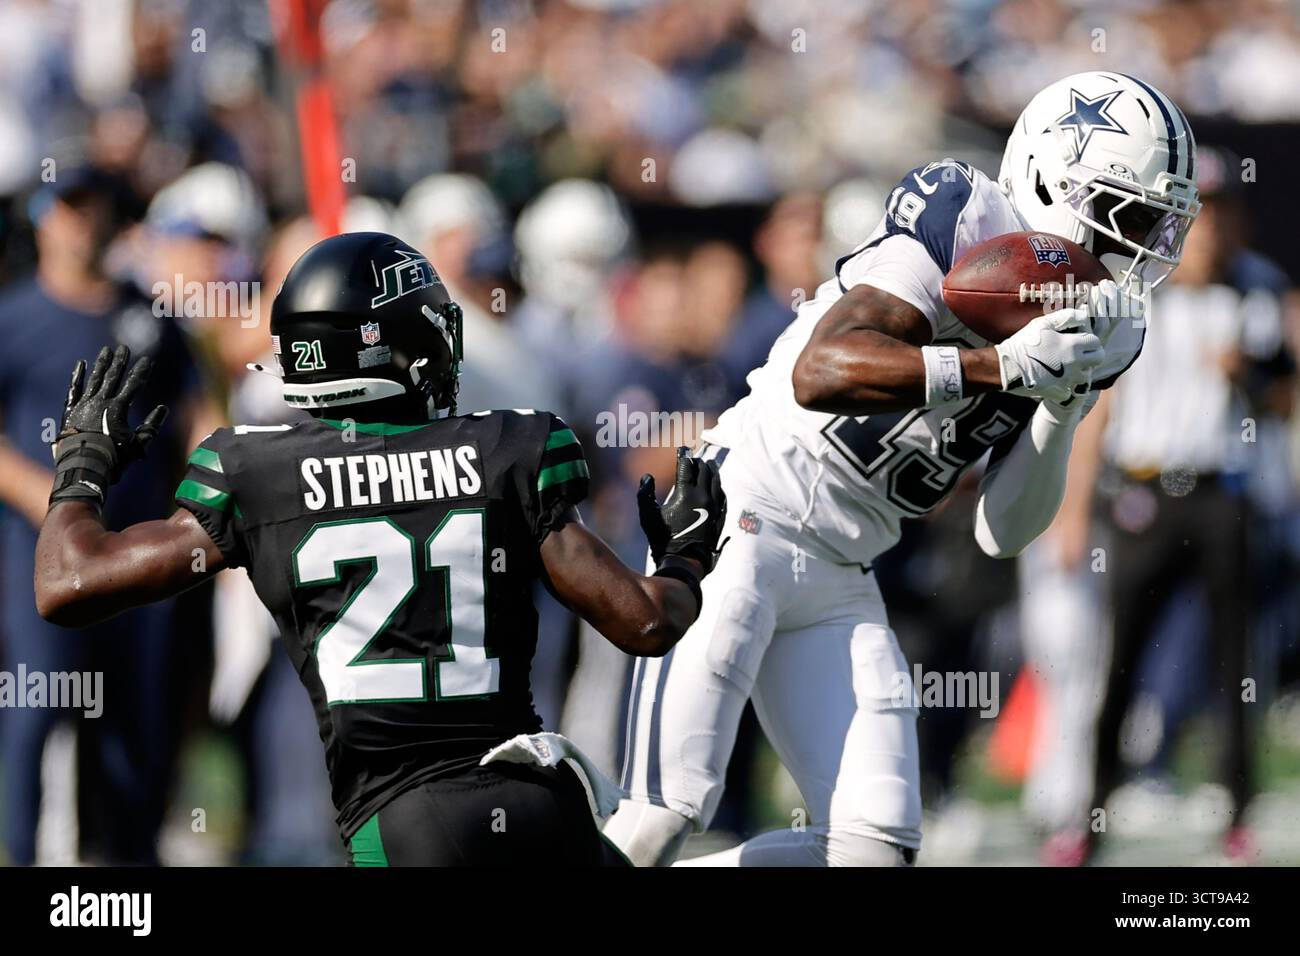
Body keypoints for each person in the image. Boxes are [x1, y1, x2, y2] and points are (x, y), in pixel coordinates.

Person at [603, 71, 1201, 866]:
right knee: (663, 814)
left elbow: (1003, 531)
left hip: (844, 564)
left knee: (872, 849)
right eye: (1128, 216)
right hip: (738, 518)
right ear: (1056, 183)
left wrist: (1061, 407)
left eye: (1159, 225)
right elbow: (821, 372)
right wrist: (1000, 368)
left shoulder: (1108, 326)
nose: (1138, 248)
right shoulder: (961, 213)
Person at [32, 231, 727, 866]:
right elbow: (646, 621)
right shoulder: (507, 449)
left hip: (408, 824)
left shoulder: (256, 475)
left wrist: (80, 470)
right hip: (540, 800)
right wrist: (688, 555)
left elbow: (67, 585)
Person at [0, 166, 207, 865]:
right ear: (43, 217)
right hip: (44, 557)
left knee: (136, 724)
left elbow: (194, 414)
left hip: (138, 554)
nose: (85, 220)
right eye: (70, 205)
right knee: (39, 712)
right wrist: (55, 499)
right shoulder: (15, 317)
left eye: (97, 206)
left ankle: (126, 877)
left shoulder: (148, 319)